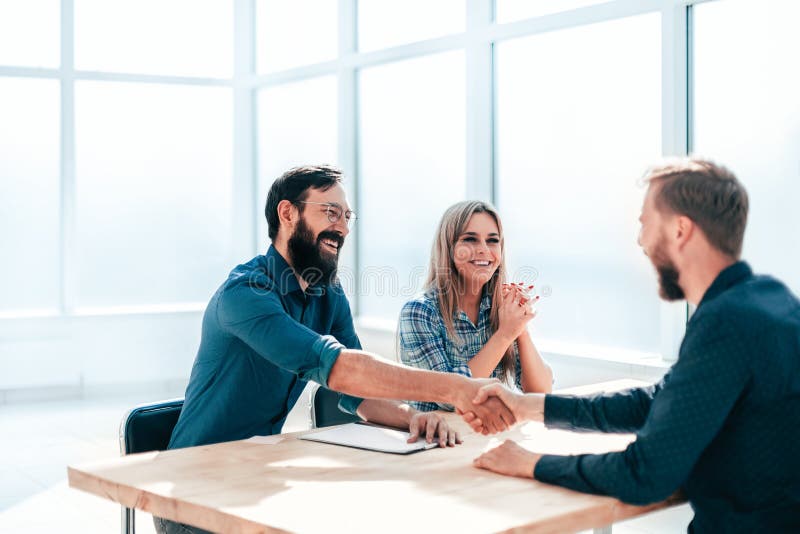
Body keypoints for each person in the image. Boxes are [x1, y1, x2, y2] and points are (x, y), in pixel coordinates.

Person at [156, 165, 514, 534]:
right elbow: (342, 369)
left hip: (256, 472)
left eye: (347, 216)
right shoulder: (246, 292)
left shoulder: (328, 294)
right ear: (287, 213)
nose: (342, 227)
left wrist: (413, 418)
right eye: (330, 212)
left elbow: (356, 391)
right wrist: (455, 387)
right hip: (193, 494)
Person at [470, 158, 800, 533]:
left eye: (645, 223)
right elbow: (660, 402)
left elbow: (644, 474)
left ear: (679, 230)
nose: (640, 241)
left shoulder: (726, 323)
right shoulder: (770, 300)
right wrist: (531, 407)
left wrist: (528, 462)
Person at [398, 201, 553, 413]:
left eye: (492, 241)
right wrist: (505, 334)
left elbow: (541, 393)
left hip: (484, 437)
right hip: (436, 441)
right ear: (449, 247)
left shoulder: (499, 309)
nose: (483, 250)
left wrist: (520, 327)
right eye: (470, 240)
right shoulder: (420, 312)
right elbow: (449, 398)